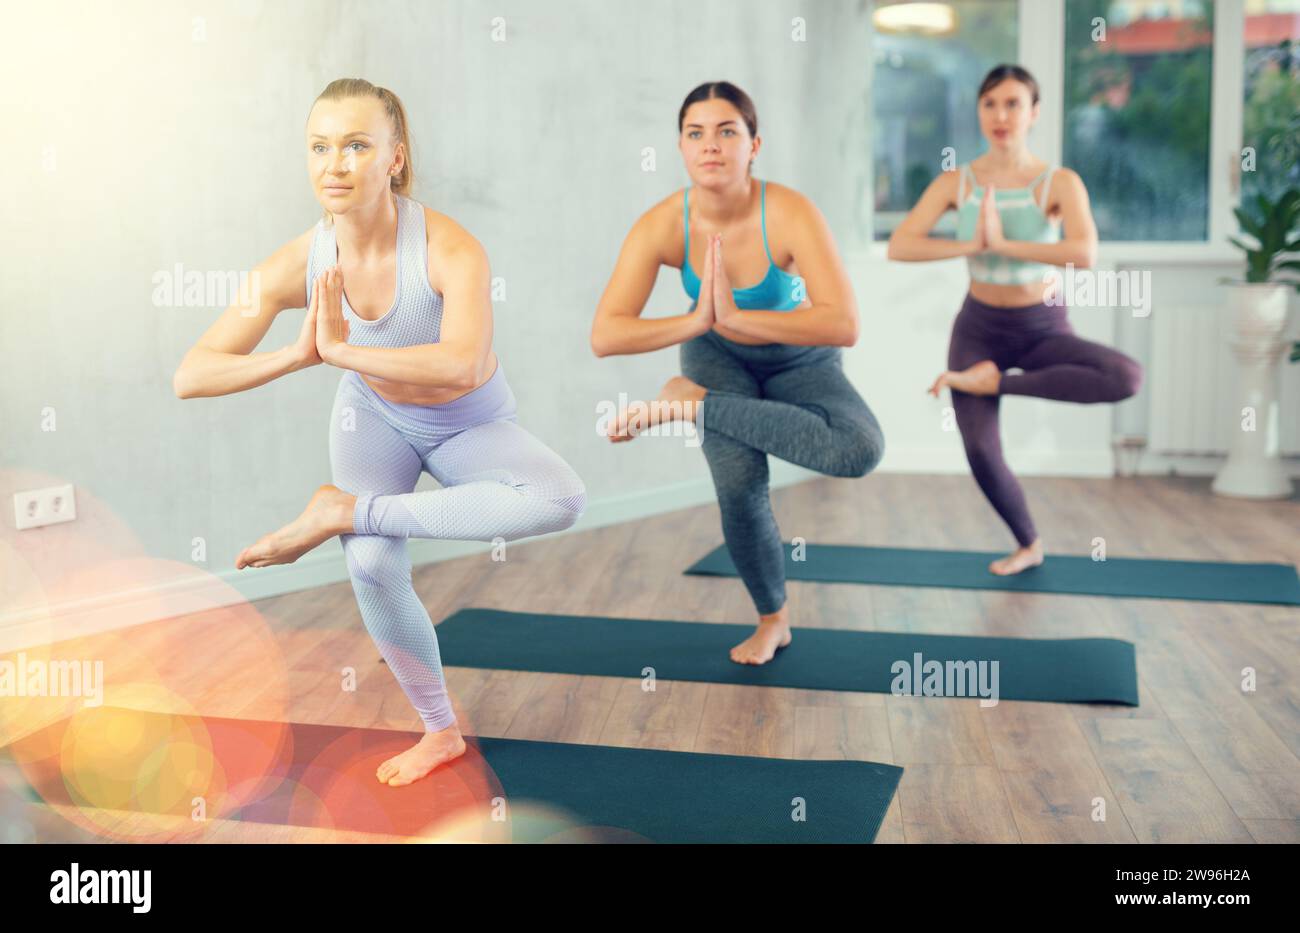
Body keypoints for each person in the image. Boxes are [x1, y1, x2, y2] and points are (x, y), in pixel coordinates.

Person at [174, 78, 586, 786]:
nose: (335, 164)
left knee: (558, 497)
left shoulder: (450, 247)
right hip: (373, 419)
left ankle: (347, 510)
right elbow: (193, 372)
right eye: (320, 146)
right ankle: (440, 731)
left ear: (395, 157)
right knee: (370, 566)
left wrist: (341, 352)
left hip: (469, 422)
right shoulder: (297, 261)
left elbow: (459, 366)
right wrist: (296, 354)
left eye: (357, 145)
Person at [591, 81, 884, 666]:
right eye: (696, 133)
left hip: (801, 359)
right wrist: (700, 319)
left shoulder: (790, 212)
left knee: (859, 449)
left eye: (728, 131)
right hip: (715, 358)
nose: (712, 145)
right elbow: (607, 334)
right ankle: (773, 619)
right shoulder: (664, 224)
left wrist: (742, 318)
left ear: (754, 145)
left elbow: (843, 324)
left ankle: (689, 403)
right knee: (739, 487)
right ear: (680, 146)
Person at [887, 64, 1142, 575]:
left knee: (1125, 376)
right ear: (979, 111)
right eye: (990, 104)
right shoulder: (957, 182)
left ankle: (996, 383)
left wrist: (1004, 244)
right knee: (980, 449)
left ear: (1034, 113)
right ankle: (1028, 543)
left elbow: (1083, 252)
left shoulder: (1057, 181)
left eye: (1013, 104)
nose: (1001, 115)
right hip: (979, 326)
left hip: (1042, 327)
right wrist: (971, 244)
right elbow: (900, 245)